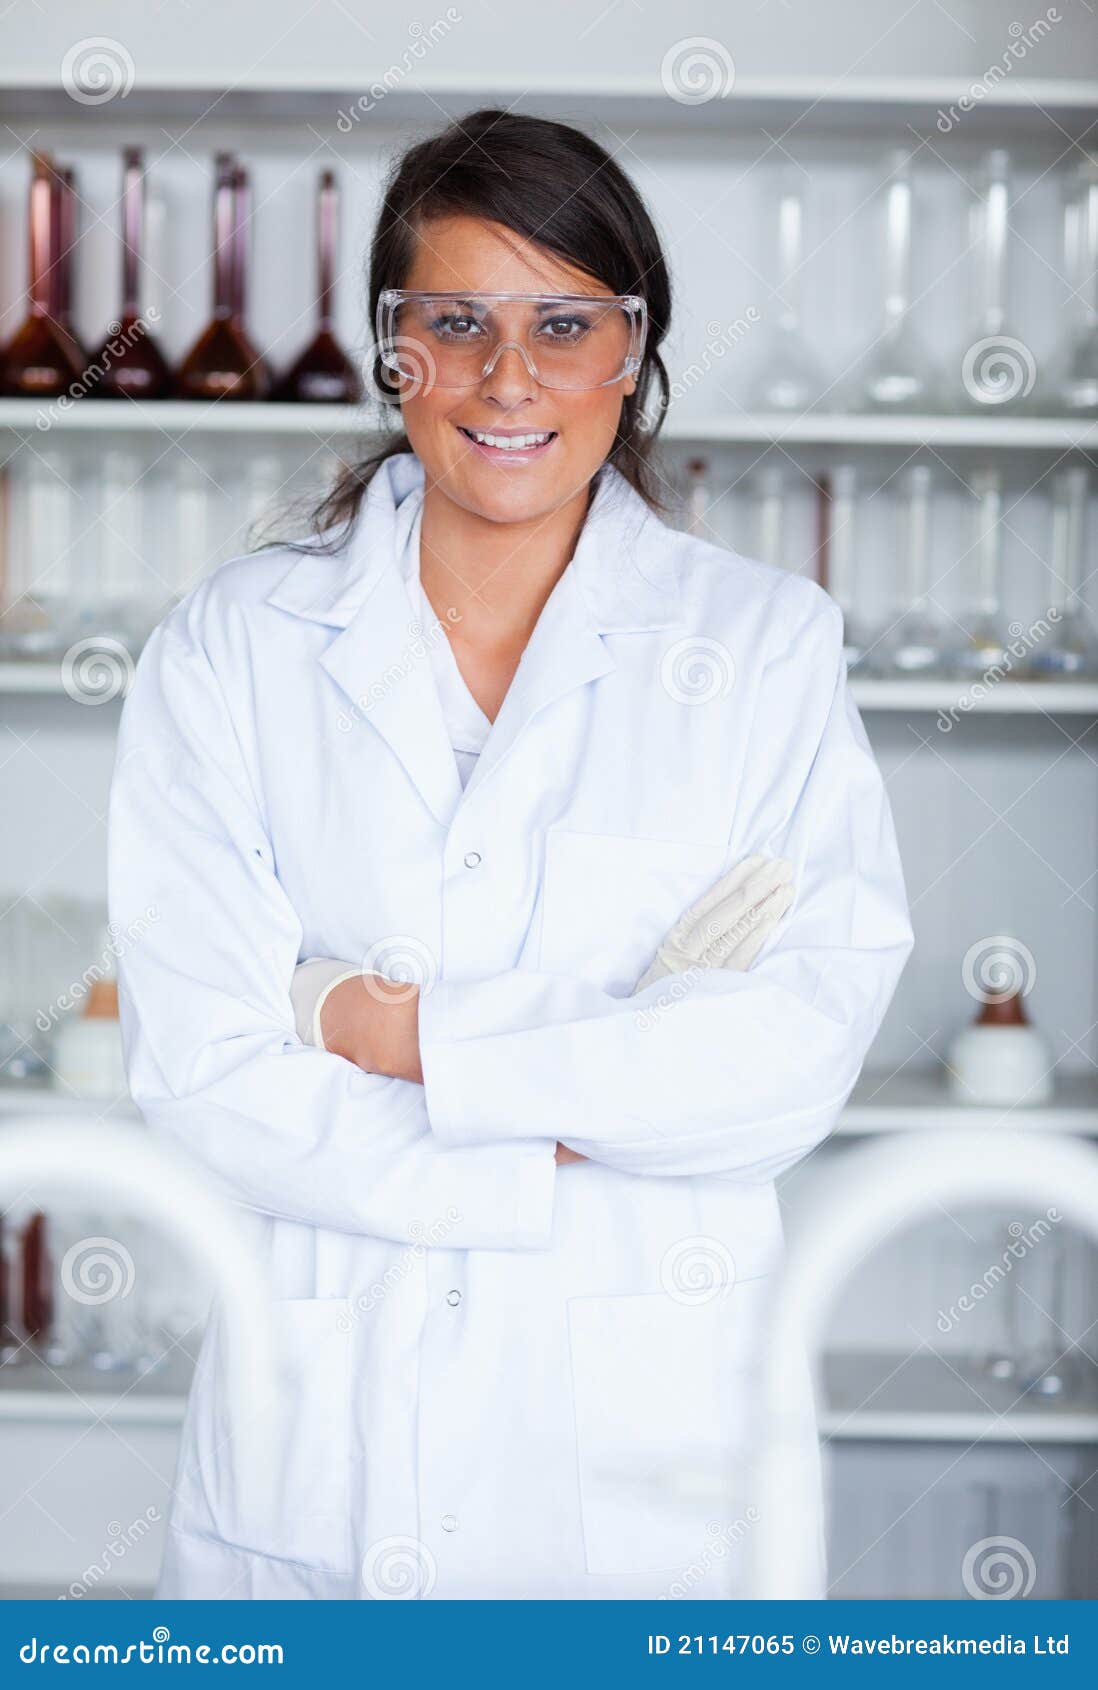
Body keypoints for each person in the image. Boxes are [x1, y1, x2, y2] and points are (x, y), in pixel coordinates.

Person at [108, 107, 913, 1601]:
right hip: (319, 1451)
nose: (507, 377)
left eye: (563, 323)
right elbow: (204, 1062)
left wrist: (383, 1028)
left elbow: (786, 1056)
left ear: (632, 351)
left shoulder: (757, 647)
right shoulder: (235, 646)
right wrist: (584, 1097)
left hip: (647, 1460)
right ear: (389, 348)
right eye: (454, 321)